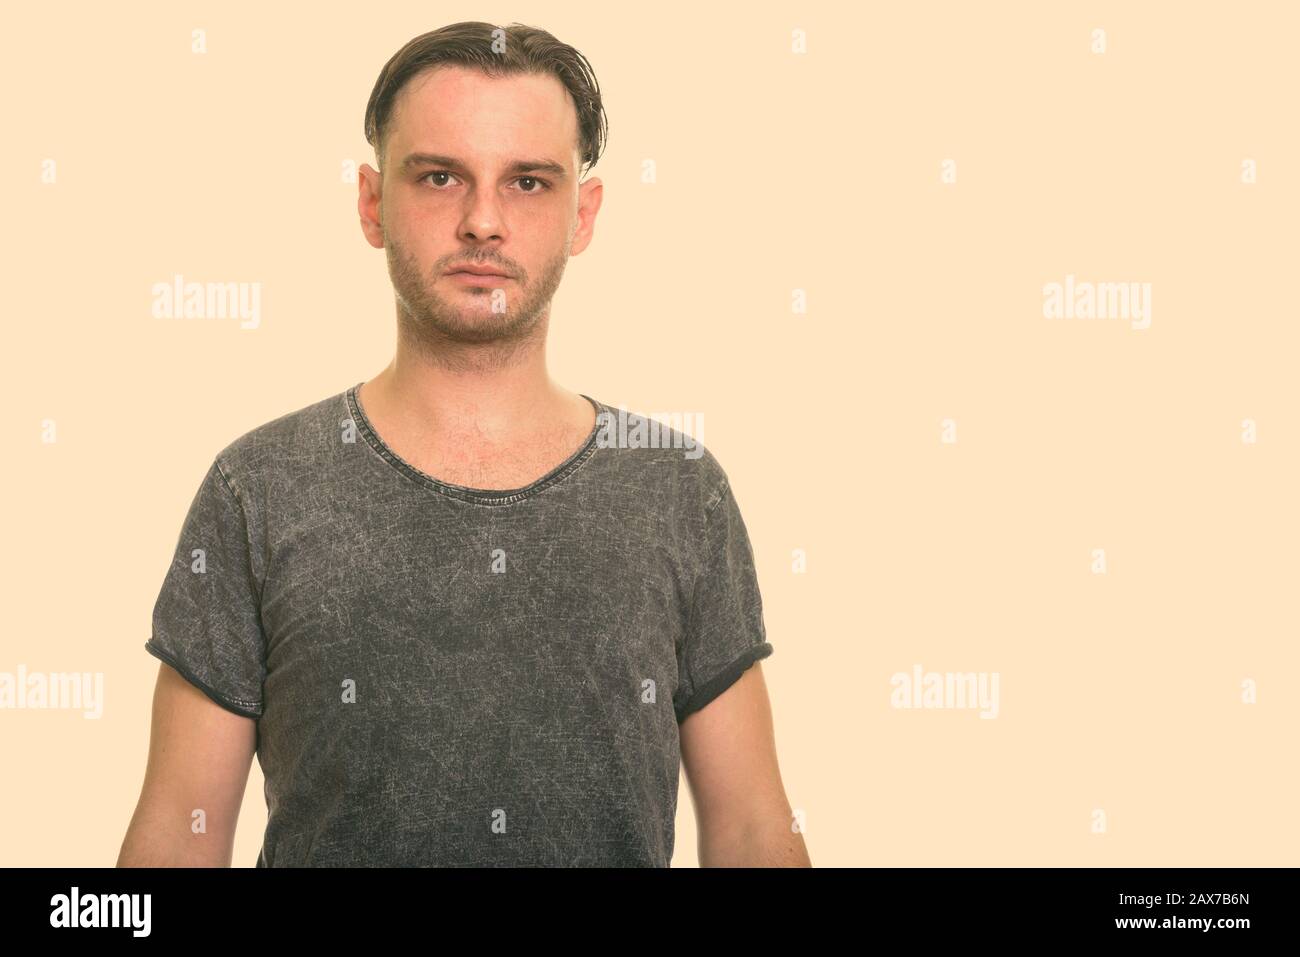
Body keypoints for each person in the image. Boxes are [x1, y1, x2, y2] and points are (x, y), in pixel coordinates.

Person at [118, 21, 809, 867]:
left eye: (527, 182)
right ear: (373, 203)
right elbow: (180, 832)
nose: (483, 220)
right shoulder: (257, 489)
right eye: (440, 176)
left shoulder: (678, 490)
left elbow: (750, 832)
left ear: (582, 215)